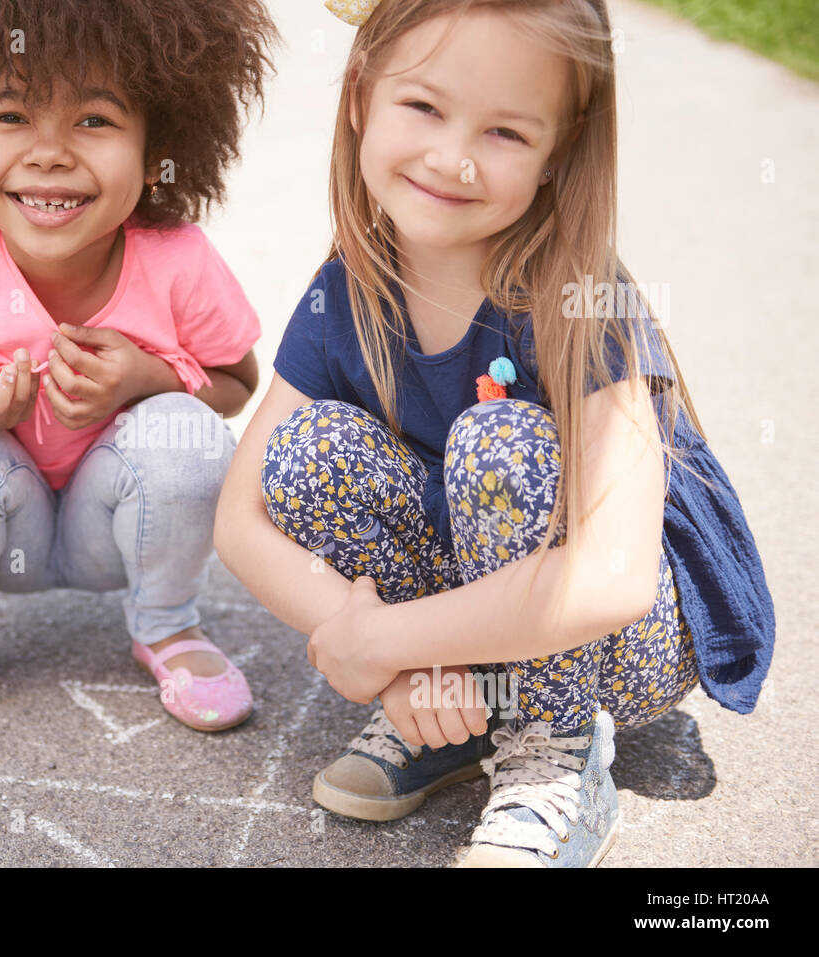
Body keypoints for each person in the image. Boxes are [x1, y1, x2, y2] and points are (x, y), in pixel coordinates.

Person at [214, 0, 774, 867]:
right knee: (308, 451)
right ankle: (458, 712)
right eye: (424, 107)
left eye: (507, 132)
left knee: (498, 444)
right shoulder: (346, 290)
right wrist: (388, 659)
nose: (453, 157)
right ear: (361, 96)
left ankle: (554, 753)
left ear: (560, 153)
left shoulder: (585, 301)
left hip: (626, 640)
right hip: (475, 613)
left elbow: (613, 579)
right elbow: (240, 517)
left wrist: (387, 638)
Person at [0, 0, 277, 745]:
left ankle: (167, 627)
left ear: (159, 144)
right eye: (10, 115)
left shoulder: (175, 261)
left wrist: (148, 377)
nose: (48, 153)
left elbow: (235, 384)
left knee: (192, 437)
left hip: (112, 521)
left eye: (95, 120)